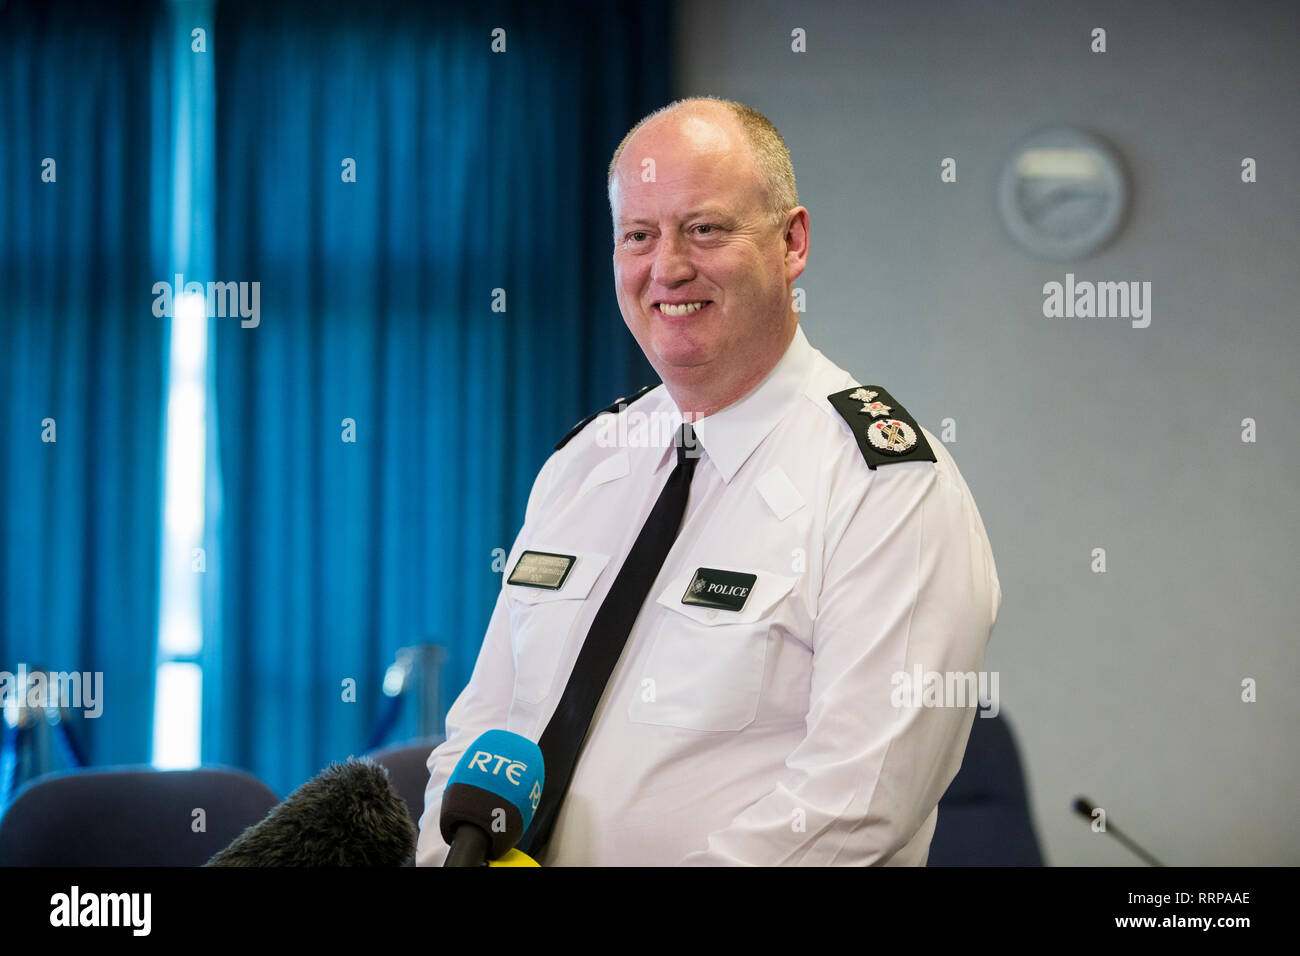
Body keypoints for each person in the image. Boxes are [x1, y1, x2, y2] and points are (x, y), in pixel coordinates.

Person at [416, 96, 1001, 866]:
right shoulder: (584, 463)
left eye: (706, 229)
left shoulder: (884, 487)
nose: (668, 268)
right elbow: (485, 726)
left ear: (792, 243)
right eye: (638, 235)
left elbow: (855, 806)